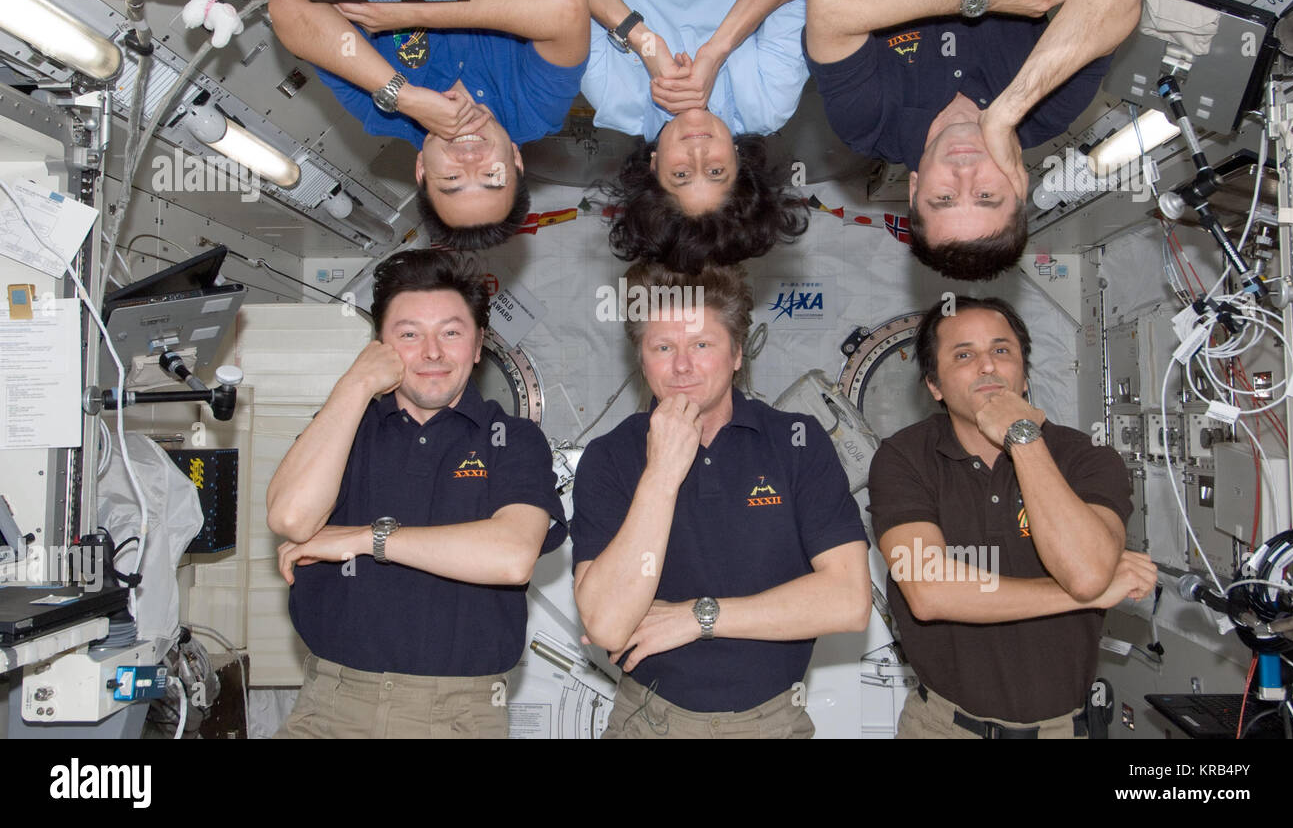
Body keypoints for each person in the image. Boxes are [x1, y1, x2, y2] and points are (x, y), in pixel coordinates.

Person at [266, 249, 567, 738]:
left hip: (454, 716)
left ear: (478, 346)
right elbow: (292, 518)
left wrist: (366, 538)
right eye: (408, 335)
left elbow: (511, 556)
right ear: (379, 346)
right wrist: (355, 383)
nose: (431, 352)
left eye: (450, 333)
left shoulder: (510, 438)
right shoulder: (347, 430)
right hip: (328, 707)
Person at [571, 261, 871, 738]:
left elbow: (849, 601)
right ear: (642, 358)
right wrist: (662, 474)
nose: (682, 366)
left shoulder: (796, 441)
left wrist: (698, 617)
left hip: (772, 720)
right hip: (648, 720)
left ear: (736, 355)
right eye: (663, 347)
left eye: (702, 345)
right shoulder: (609, 456)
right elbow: (607, 624)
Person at [867, 295, 1157, 739]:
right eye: (964, 355)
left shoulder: (1086, 459)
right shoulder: (904, 458)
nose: (987, 366)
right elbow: (930, 591)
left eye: (1001, 351)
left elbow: (1084, 571)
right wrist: (1091, 594)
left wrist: (1022, 437)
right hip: (944, 728)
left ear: (1023, 374)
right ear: (934, 385)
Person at [803, 0, 1143, 279]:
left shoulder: (869, 126)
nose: (963, 173)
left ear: (914, 188)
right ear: (1019, 185)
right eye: (985, 194)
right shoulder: (1046, 112)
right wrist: (1007, 110)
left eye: (944, 198)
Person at [267, 0, 590, 249]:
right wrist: (411, 11)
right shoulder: (535, 112)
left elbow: (289, 3)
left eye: (452, 178)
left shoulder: (381, 113)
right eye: (491, 176)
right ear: (516, 161)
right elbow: (565, 4)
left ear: (421, 170)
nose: (469, 158)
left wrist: (402, 95)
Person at [585, 0, 810, 271]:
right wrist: (717, 50)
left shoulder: (613, 98)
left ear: (654, 167)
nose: (698, 153)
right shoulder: (769, 103)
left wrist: (644, 42)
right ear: (739, 161)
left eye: (681, 174)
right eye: (716, 172)